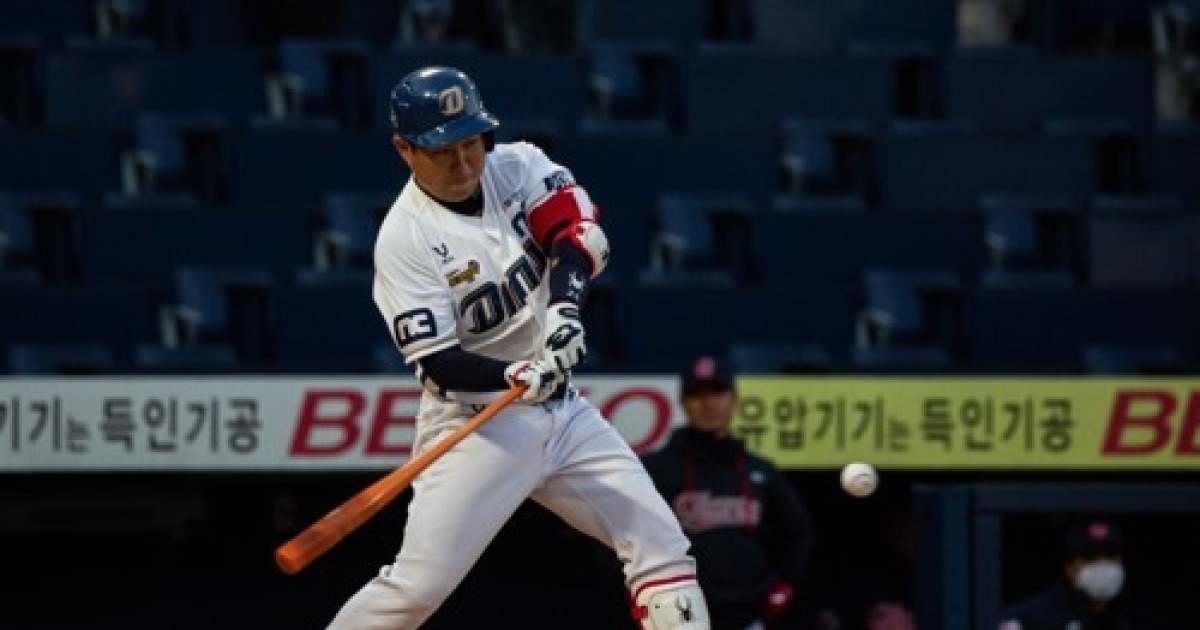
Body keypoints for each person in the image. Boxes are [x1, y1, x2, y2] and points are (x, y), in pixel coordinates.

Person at [325, 65, 711, 629]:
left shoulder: (520, 165)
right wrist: (513, 374)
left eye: (472, 143)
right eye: (442, 151)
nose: (463, 163)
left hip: (563, 410)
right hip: (478, 424)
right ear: (403, 148)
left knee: (661, 545)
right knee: (417, 587)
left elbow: (577, 237)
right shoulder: (404, 239)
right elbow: (437, 365)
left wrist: (563, 312)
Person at [640, 354, 814, 630]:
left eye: (717, 392)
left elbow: (797, 532)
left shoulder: (761, 471)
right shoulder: (655, 470)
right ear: (683, 402)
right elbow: (620, 534)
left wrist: (785, 584)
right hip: (679, 615)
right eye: (697, 395)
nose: (708, 403)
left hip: (748, 614)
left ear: (734, 399)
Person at [996, 519, 1133, 630]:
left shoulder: (1129, 617)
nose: (1103, 566)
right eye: (1091, 558)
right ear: (1069, 565)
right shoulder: (1030, 619)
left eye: (1110, 557)